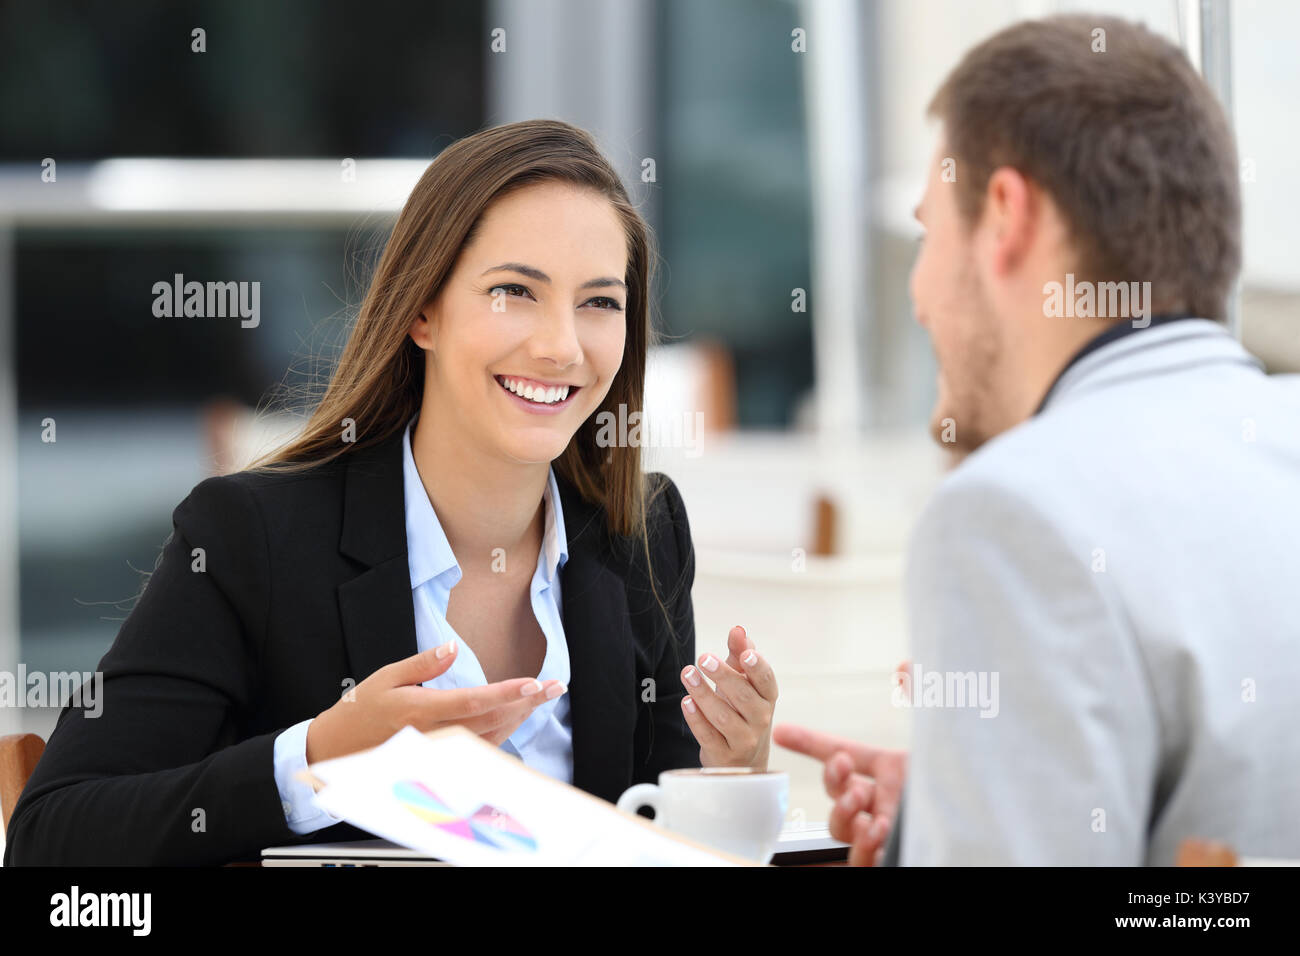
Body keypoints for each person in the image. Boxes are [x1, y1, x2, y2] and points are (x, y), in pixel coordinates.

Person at [4, 119, 778, 866]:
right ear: (422, 311)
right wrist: (321, 760)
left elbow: (660, 837)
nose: (560, 346)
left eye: (600, 301)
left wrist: (731, 773)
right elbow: (52, 835)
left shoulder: (641, 531)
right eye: (515, 290)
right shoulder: (249, 537)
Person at [777, 14, 1300, 865]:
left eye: (929, 232)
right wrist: (961, 804)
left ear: (1005, 217)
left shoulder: (1013, 513)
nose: (918, 295)